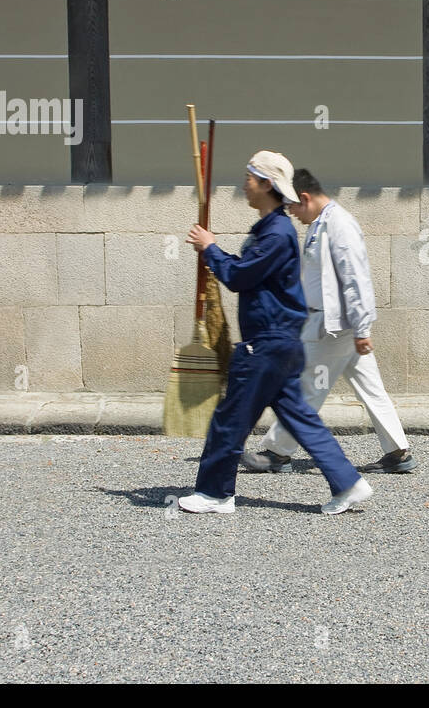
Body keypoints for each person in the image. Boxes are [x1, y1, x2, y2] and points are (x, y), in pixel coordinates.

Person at [176, 150, 373, 516]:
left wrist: (210, 249)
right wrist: (214, 253)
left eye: (249, 177)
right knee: (301, 418)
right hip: (279, 344)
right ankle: (348, 484)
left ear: (267, 184)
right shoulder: (270, 230)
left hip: (265, 345)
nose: (244, 184)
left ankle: (215, 493)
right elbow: (244, 270)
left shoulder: (277, 233)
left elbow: (238, 277)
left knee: (229, 419)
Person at [242, 168, 414, 475]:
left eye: (292, 205)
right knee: (370, 387)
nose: (290, 213)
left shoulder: (339, 225)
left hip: (334, 328)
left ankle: (276, 452)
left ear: (305, 198)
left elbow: (355, 278)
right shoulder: (321, 224)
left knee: (307, 386)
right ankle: (398, 452)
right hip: (332, 324)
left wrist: (362, 329)